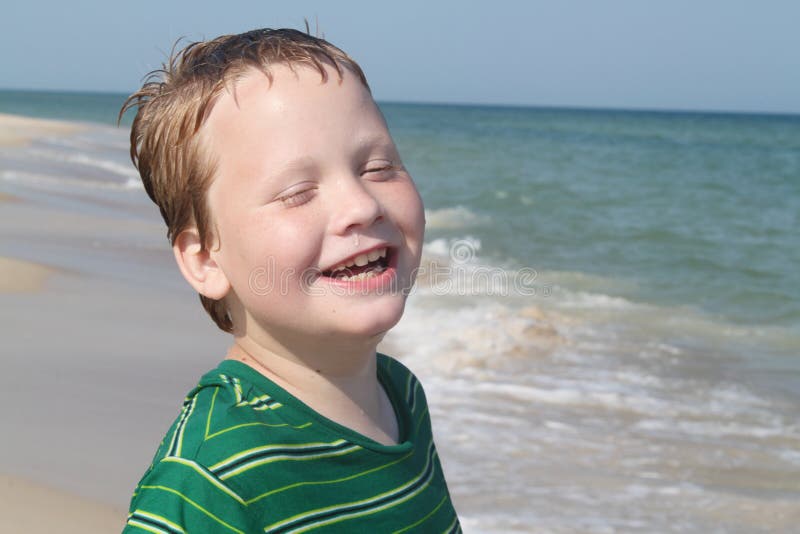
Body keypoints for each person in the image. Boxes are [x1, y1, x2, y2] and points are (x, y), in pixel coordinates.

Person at [120, 27, 461, 533]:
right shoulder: (214, 473)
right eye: (299, 192)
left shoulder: (401, 395)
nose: (360, 206)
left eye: (378, 167)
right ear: (206, 260)